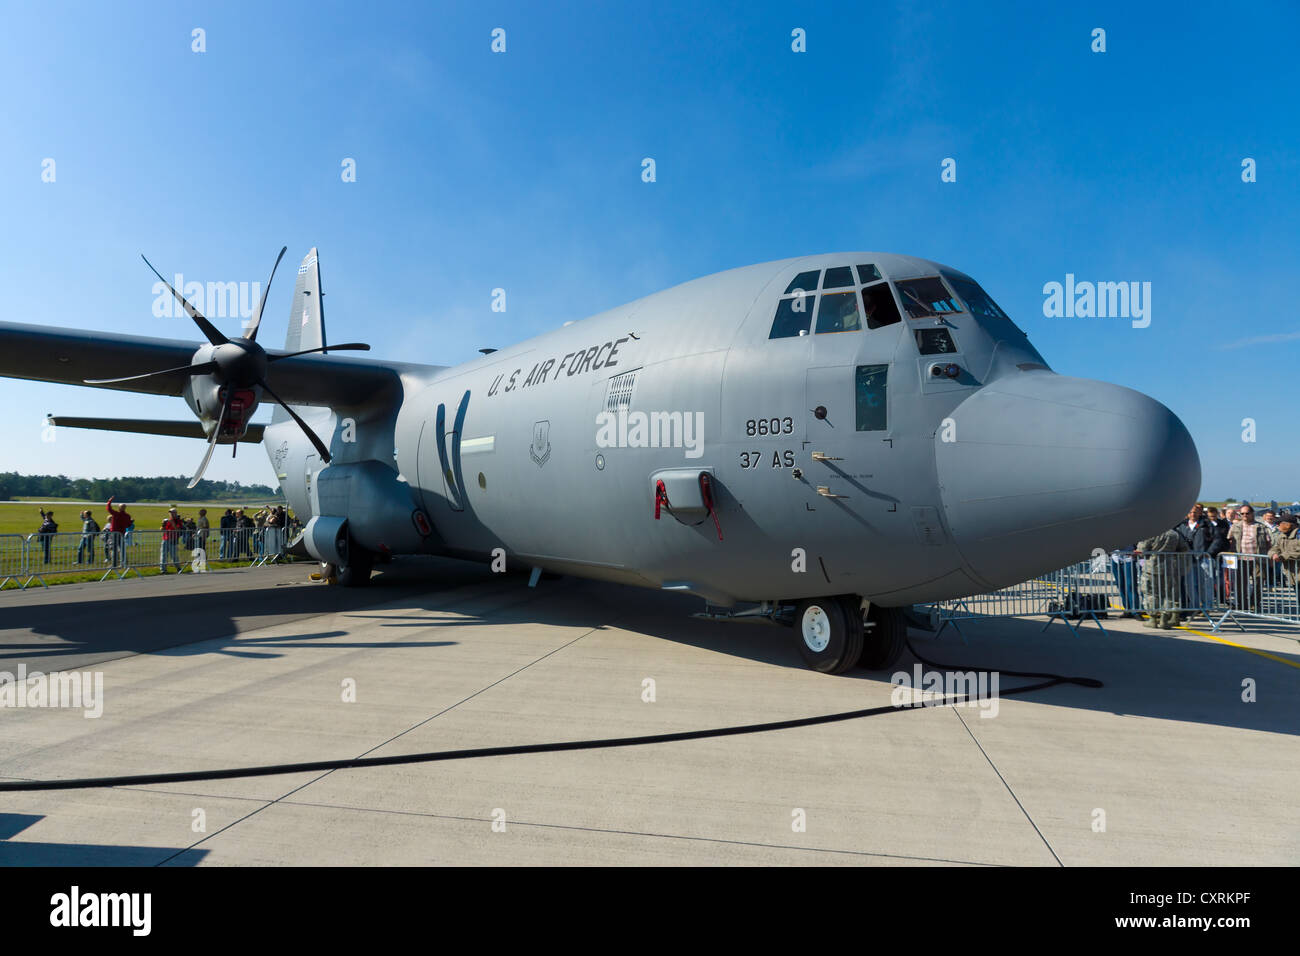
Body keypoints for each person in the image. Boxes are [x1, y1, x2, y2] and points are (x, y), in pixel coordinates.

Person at [1136, 526, 1188, 628]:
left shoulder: (1150, 532)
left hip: (1151, 567)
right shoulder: (1174, 534)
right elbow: (1184, 549)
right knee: (1169, 594)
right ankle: (1165, 618)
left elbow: (1141, 549)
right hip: (1169, 567)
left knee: (1151, 593)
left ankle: (1153, 618)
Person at [1173, 504, 1215, 612]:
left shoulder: (1206, 525)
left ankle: (1207, 606)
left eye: (1195, 512)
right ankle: (1195, 606)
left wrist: (1209, 552)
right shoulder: (1181, 526)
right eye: (1190, 512)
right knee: (1190, 584)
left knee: (1205, 584)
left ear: (1200, 513)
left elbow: (1217, 539)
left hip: (1203, 558)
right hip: (1187, 559)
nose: (1193, 514)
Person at [1228, 505, 1270, 611]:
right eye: (1242, 514)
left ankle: (1254, 603)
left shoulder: (1261, 527)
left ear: (1252, 513)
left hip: (1258, 559)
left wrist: (1268, 559)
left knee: (1258, 582)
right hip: (1241, 559)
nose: (1245, 515)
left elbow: (1269, 543)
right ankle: (1242, 604)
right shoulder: (1235, 526)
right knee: (1241, 584)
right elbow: (1230, 540)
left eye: (1247, 513)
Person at [1269, 513, 1300, 590]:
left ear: (1288, 525)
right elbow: (1275, 547)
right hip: (1293, 575)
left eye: (1279, 524)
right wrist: (1273, 554)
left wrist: (1283, 556)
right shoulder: (1282, 536)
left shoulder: (1298, 535)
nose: (1277, 526)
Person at [105, 496, 132, 568]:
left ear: (119, 508)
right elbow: (128, 525)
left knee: (113, 548)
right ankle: (124, 563)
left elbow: (108, 508)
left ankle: (114, 564)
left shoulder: (116, 514)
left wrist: (109, 501)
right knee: (122, 548)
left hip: (114, 533)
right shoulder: (127, 516)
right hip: (122, 533)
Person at [159, 507, 183, 574]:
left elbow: (178, 529)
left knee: (174, 555)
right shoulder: (167, 520)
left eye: (173, 512)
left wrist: (172, 522)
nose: (172, 514)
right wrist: (163, 525)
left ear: (176, 513)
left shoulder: (178, 521)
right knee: (163, 555)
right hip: (165, 539)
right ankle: (163, 570)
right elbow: (161, 529)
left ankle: (178, 567)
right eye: (170, 513)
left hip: (173, 539)